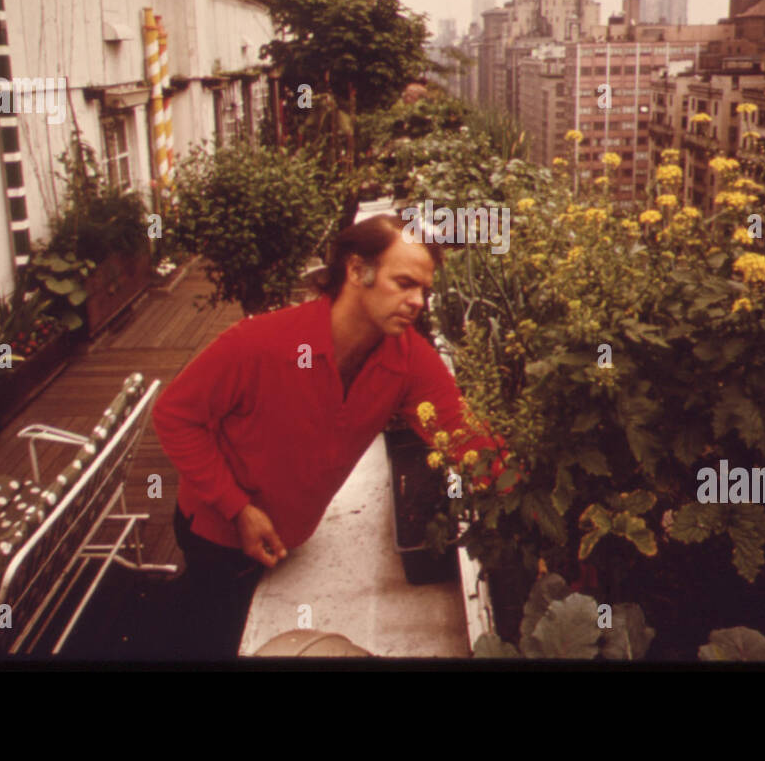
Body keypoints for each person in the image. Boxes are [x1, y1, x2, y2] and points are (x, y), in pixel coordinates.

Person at [152, 214, 512, 658]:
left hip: (288, 539)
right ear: (357, 270)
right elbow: (173, 415)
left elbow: (463, 438)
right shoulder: (261, 343)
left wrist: (528, 486)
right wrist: (238, 508)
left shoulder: (407, 359)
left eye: (425, 290)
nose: (418, 301)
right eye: (404, 283)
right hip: (215, 533)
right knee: (210, 631)